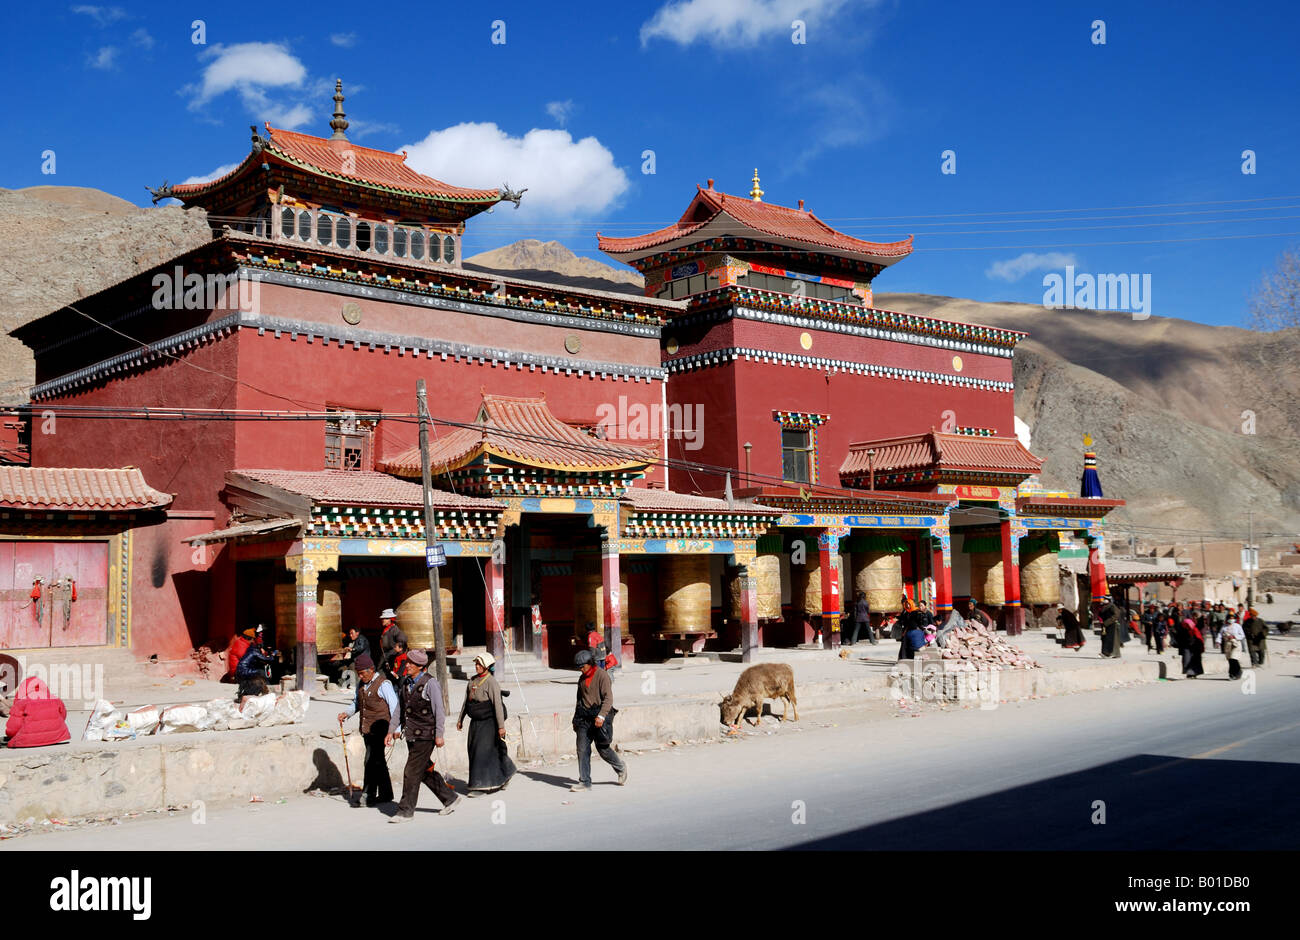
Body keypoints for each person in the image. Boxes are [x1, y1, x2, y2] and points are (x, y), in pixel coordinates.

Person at [389, 649, 462, 822]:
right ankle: (450, 798)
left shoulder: (431, 684)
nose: (407, 665)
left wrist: (439, 734)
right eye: (407, 662)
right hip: (411, 734)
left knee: (411, 772)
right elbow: (399, 709)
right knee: (423, 771)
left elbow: (439, 711)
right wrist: (391, 729)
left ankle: (405, 811)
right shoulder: (406, 683)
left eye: (410, 663)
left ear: (420, 667)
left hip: (426, 735)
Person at [337, 654, 398, 807]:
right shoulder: (362, 685)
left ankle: (368, 795)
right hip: (367, 730)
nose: (360, 676)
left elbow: (395, 706)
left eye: (362, 673)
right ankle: (386, 793)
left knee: (370, 761)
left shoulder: (383, 684)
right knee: (378, 760)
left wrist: (396, 729)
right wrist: (347, 713)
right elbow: (357, 703)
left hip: (381, 729)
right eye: (358, 673)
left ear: (371, 670)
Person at [456, 652, 515, 796]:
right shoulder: (472, 681)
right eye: (476, 664)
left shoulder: (491, 682)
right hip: (475, 723)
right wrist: (460, 719)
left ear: (486, 666)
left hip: (489, 724)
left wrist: (501, 727)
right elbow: (466, 702)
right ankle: (506, 772)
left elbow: (497, 706)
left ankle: (481, 786)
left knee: (481, 753)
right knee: (473, 750)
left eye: (479, 664)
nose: (477, 666)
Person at [570, 649, 627, 791]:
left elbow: (608, 698)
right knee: (582, 749)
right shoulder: (582, 679)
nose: (581, 670)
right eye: (579, 667)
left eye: (583, 666)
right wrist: (575, 719)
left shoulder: (602, 676)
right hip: (584, 718)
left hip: (599, 716)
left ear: (590, 663)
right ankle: (584, 781)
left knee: (603, 749)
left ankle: (620, 767)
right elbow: (579, 700)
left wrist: (601, 716)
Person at [4, 676, 70, 748]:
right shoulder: (56, 699)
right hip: (57, 737)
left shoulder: (21, 703)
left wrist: (12, 736)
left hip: (29, 740)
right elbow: (62, 716)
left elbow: (13, 727)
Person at [378, 609, 408, 679]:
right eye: (383, 619)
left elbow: (403, 640)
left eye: (385, 618)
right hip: (386, 657)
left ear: (390, 619)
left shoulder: (395, 630)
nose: (383, 620)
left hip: (391, 658)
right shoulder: (386, 630)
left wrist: (394, 651)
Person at [1220, 615, 1246, 680]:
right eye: (1230, 618)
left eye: (1232, 618)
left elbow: (1242, 635)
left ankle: (1236, 673)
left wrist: (1234, 636)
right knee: (1230, 660)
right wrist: (1218, 641)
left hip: (1236, 644)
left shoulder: (1237, 626)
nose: (1231, 619)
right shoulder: (1224, 627)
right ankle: (1232, 674)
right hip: (1228, 644)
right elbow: (1220, 634)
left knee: (1234, 658)